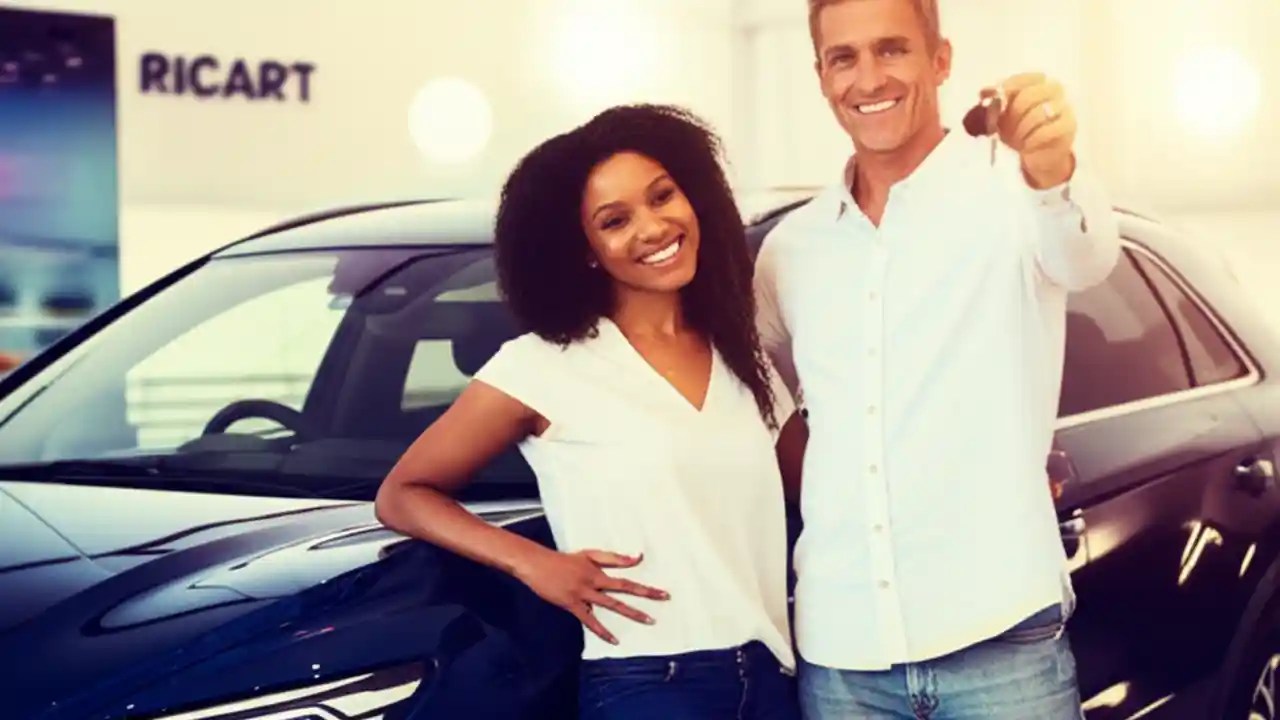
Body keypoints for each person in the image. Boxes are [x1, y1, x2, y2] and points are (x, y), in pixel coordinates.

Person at [376, 103, 806, 720]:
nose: (654, 227)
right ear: (585, 251)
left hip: (774, 678)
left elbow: (826, 495)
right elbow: (403, 494)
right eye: (615, 220)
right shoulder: (543, 366)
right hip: (650, 686)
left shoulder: (745, 359)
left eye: (663, 196)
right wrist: (534, 563)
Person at [753, 0, 1122, 718]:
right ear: (822, 77)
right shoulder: (791, 251)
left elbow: (1086, 254)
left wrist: (1053, 165)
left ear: (941, 60)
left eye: (892, 50)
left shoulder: (1017, 194)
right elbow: (741, 384)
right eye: (844, 57)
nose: (868, 78)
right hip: (841, 657)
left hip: (1001, 638)